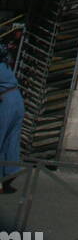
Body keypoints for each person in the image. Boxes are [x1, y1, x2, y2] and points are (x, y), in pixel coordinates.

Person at [0, 40, 25, 193]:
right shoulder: (5, 66)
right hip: (17, 99)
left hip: (6, 101)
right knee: (11, 141)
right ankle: (8, 176)